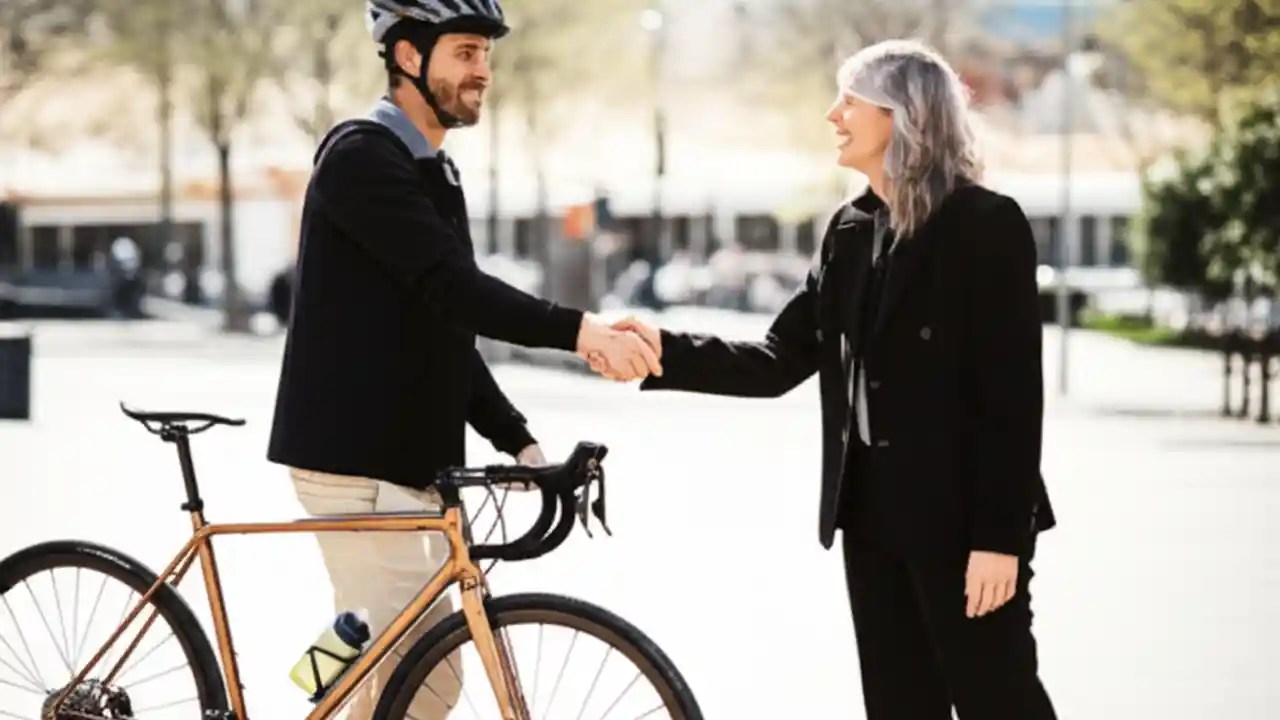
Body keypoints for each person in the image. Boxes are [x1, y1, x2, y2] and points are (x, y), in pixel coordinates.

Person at [593, 39, 1058, 719]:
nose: (833, 115)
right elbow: (777, 359)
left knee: (1001, 702)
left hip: (962, 524)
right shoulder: (850, 230)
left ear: (902, 115)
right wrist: (661, 350)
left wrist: (998, 540)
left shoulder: (985, 225)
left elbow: (1012, 402)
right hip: (871, 517)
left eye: (850, 100)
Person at [266, 1, 660, 716]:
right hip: (356, 463)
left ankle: (307, 693)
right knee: (425, 677)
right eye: (466, 52)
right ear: (408, 57)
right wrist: (582, 331)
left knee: (377, 651)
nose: (483, 71)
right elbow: (456, 289)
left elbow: (444, 322)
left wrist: (517, 440)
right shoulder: (360, 159)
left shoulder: (432, 170)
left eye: (485, 55)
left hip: (403, 467)